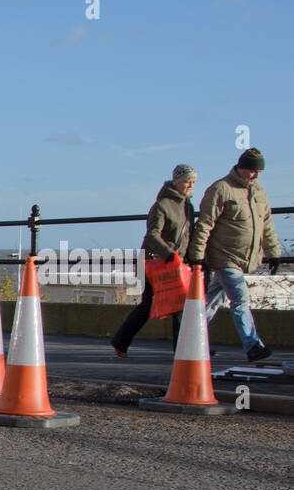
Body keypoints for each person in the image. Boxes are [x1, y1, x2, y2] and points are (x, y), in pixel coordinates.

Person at [187, 148, 280, 362]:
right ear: (241, 167)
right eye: (252, 171)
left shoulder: (259, 192)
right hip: (224, 257)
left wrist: (273, 252)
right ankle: (252, 345)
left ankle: (188, 340)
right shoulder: (221, 189)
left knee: (209, 303)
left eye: (259, 172)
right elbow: (205, 224)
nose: (255, 175)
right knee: (240, 299)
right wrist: (197, 255)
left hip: (241, 259)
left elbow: (267, 225)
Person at [111, 164, 196, 358]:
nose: (191, 185)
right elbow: (152, 234)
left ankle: (181, 351)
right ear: (177, 182)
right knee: (152, 305)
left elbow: (189, 234)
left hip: (173, 263)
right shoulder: (162, 205)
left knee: (175, 306)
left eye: (193, 182)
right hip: (156, 262)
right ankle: (182, 353)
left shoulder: (188, 206)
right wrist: (168, 253)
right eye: (187, 181)